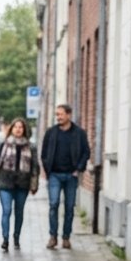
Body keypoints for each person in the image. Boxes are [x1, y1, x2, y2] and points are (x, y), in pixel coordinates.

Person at [0, 118, 40, 251]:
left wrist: (34, 184)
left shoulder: (31, 146)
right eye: (15, 127)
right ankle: (5, 239)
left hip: (23, 183)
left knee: (19, 212)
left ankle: (16, 237)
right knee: (7, 210)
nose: (18, 129)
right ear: (11, 129)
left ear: (25, 130)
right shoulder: (4, 144)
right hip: (4, 182)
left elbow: (34, 167)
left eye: (21, 127)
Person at [40, 103, 90, 249]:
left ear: (69, 115)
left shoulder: (79, 133)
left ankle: (66, 237)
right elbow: (44, 154)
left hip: (71, 175)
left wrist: (78, 169)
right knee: (53, 204)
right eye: (57, 114)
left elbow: (86, 152)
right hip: (54, 175)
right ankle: (53, 236)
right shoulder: (51, 133)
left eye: (61, 114)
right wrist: (47, 170)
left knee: (69, 207)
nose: (58, 117)